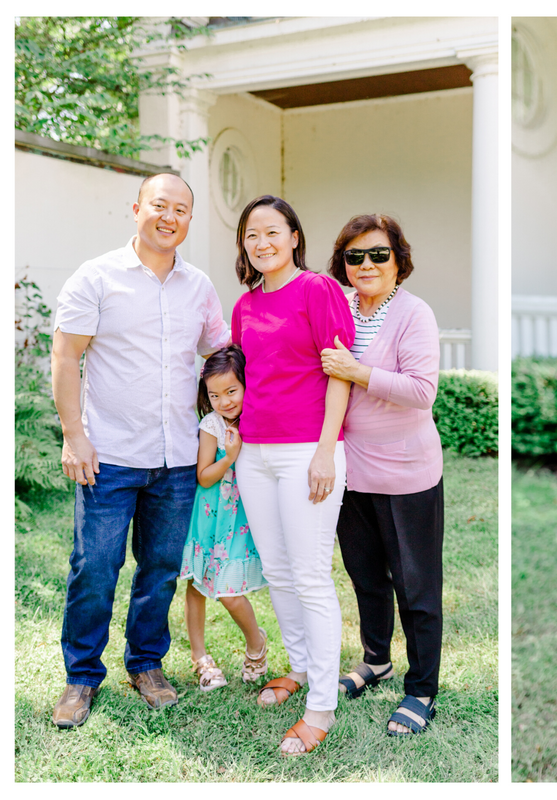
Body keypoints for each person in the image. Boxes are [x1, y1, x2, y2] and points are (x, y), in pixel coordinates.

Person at [51, 173, 230, 728]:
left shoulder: (199, 286)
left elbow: (220, 356)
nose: (168, 216)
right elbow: (64, 357)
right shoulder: (96, 277)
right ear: (137, 209)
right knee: (96, 567)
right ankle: (81, 678)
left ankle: (146, 665)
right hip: (109, 455)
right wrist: (74, 435)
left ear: (189, 220)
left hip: (177, 458)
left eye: (180, 209)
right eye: (159, 205)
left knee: (159, 570)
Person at [229, 195, 355, 755]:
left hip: (308, 450)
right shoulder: (245, 305)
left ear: (295, 236)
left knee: (309, 576)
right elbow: (243, 378)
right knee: (278, 572)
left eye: (272, 232)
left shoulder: (318, 290)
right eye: (251, 235)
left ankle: (321, 708)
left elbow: (340, 373)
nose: (261, 243)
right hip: (254, 452)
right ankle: (299, 669)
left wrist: (326, 450)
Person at [320, 213, 444, 736]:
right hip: (351, 469)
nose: (366, 264)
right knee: (366, 575)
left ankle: (421, 689)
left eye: (378, 254)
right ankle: (376, 659)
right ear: (342, 263)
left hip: (406, 472)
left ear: (398, 261)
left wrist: (358, 372)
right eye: (355, 256)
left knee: (415, 585)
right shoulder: (337, 307)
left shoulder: (414, 314)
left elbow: (422, 390)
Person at [178, 345, 268, 691]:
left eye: (232, 391)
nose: (225, 401)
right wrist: (229, 456)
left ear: (247, 384)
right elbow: (204, 476)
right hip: (209, 516)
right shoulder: (212, 425)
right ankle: (200, 657)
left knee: (230, 592)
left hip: (240, 520)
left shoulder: (257, 416)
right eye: (215, 395)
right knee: (197, 584)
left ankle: (256, 643)